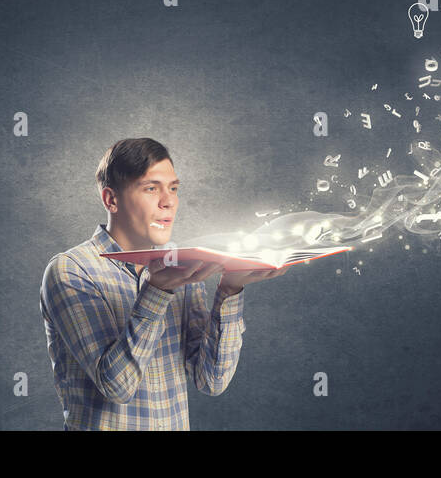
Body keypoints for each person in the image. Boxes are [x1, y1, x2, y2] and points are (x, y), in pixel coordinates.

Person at [40, 137, 284, 429]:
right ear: (111, 200)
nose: (168, 201)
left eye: (173, 189)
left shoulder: (181, 264)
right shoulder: (71, 270)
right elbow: (117, 386)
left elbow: (211, 380)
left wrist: (230, 288)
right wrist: (157, 291)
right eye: (151, 188)